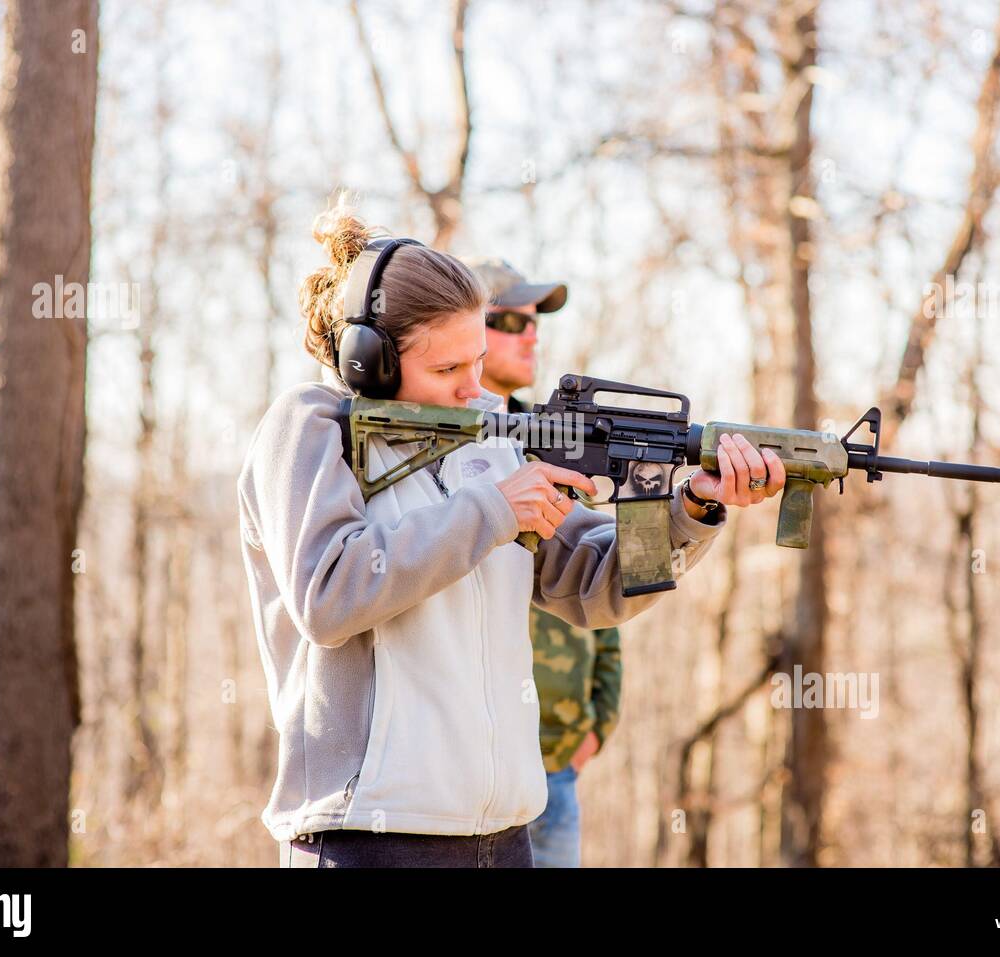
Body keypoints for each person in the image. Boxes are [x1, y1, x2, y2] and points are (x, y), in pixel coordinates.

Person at [238, 199, 786, 868]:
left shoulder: (491, 436)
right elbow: (329, 594)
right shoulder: (309, 428)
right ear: (367, 360)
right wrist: (495, 510)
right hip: (370, 835)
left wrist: (690, 510)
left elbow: (594, 586)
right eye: (447, 371)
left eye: (476, 361)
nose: (475, 389)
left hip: (505, 835)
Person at [462, 256, 618, 868]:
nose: (531, 334)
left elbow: (602, 570)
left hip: (556, 761)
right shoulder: (438, 447)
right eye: (508, 320)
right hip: (475, 763)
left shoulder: (561, 438)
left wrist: (596, 726)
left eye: (535, 322)